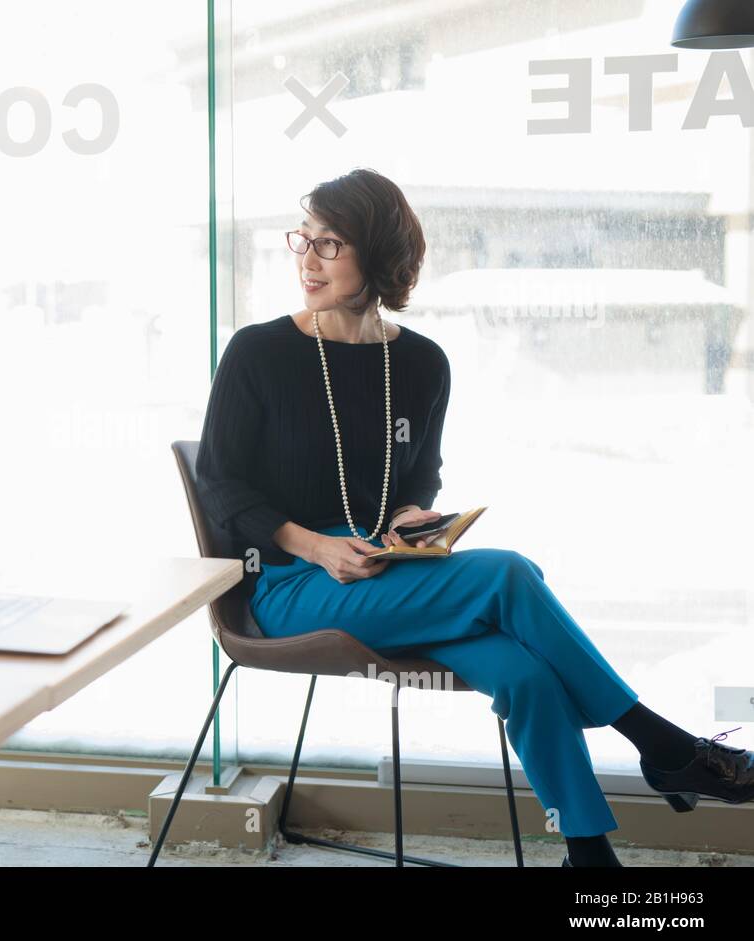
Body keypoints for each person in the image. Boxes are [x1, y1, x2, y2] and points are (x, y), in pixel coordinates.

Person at [195, 167, 754, 867]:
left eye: (330, 243)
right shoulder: (259, 351)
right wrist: (315, 549)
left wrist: (410, 518)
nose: (307, 258)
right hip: (289, 587)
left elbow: (419, 474)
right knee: (510, 576)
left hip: (386, 575)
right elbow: (221, 485)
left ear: (378, 251)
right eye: (302, 239)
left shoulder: (423, 363)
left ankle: (591, 860)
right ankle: (664, 746)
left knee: (524, 673)